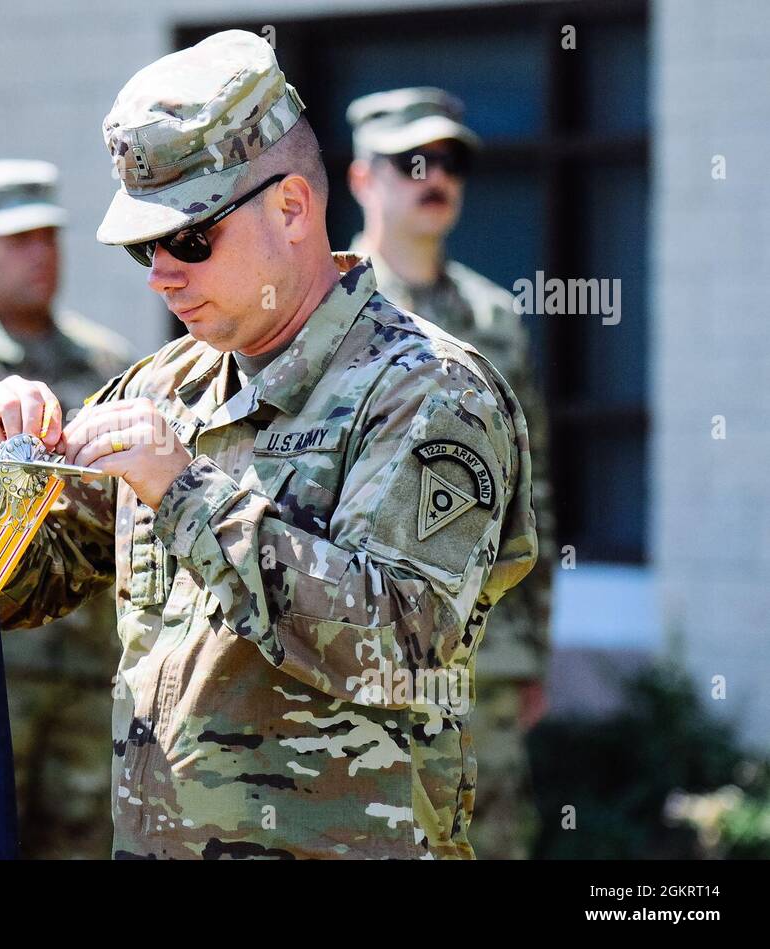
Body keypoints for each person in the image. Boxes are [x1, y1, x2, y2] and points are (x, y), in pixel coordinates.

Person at [0, 30, 537, 859]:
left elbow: (401, 645)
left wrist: (186, 493)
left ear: (292, 207)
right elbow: (22, 589)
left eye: (190, 238)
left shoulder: (429, 392)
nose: (161, 272)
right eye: (144, 247)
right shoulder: (163, 389)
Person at [345, 87, 555, 858]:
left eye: (452, 162)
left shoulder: (494, 317)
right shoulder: (327, 310)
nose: (436, 177)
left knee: (491, 838)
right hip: (361, 651)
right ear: (362, 178)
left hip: (487, 654)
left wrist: (536, 643)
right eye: (411, 161)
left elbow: (535, 493)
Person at [0, 159, 131, 858]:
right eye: (18, 239)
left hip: (85, 671)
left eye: (49, 236)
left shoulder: (107, 363)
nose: (40, 255)